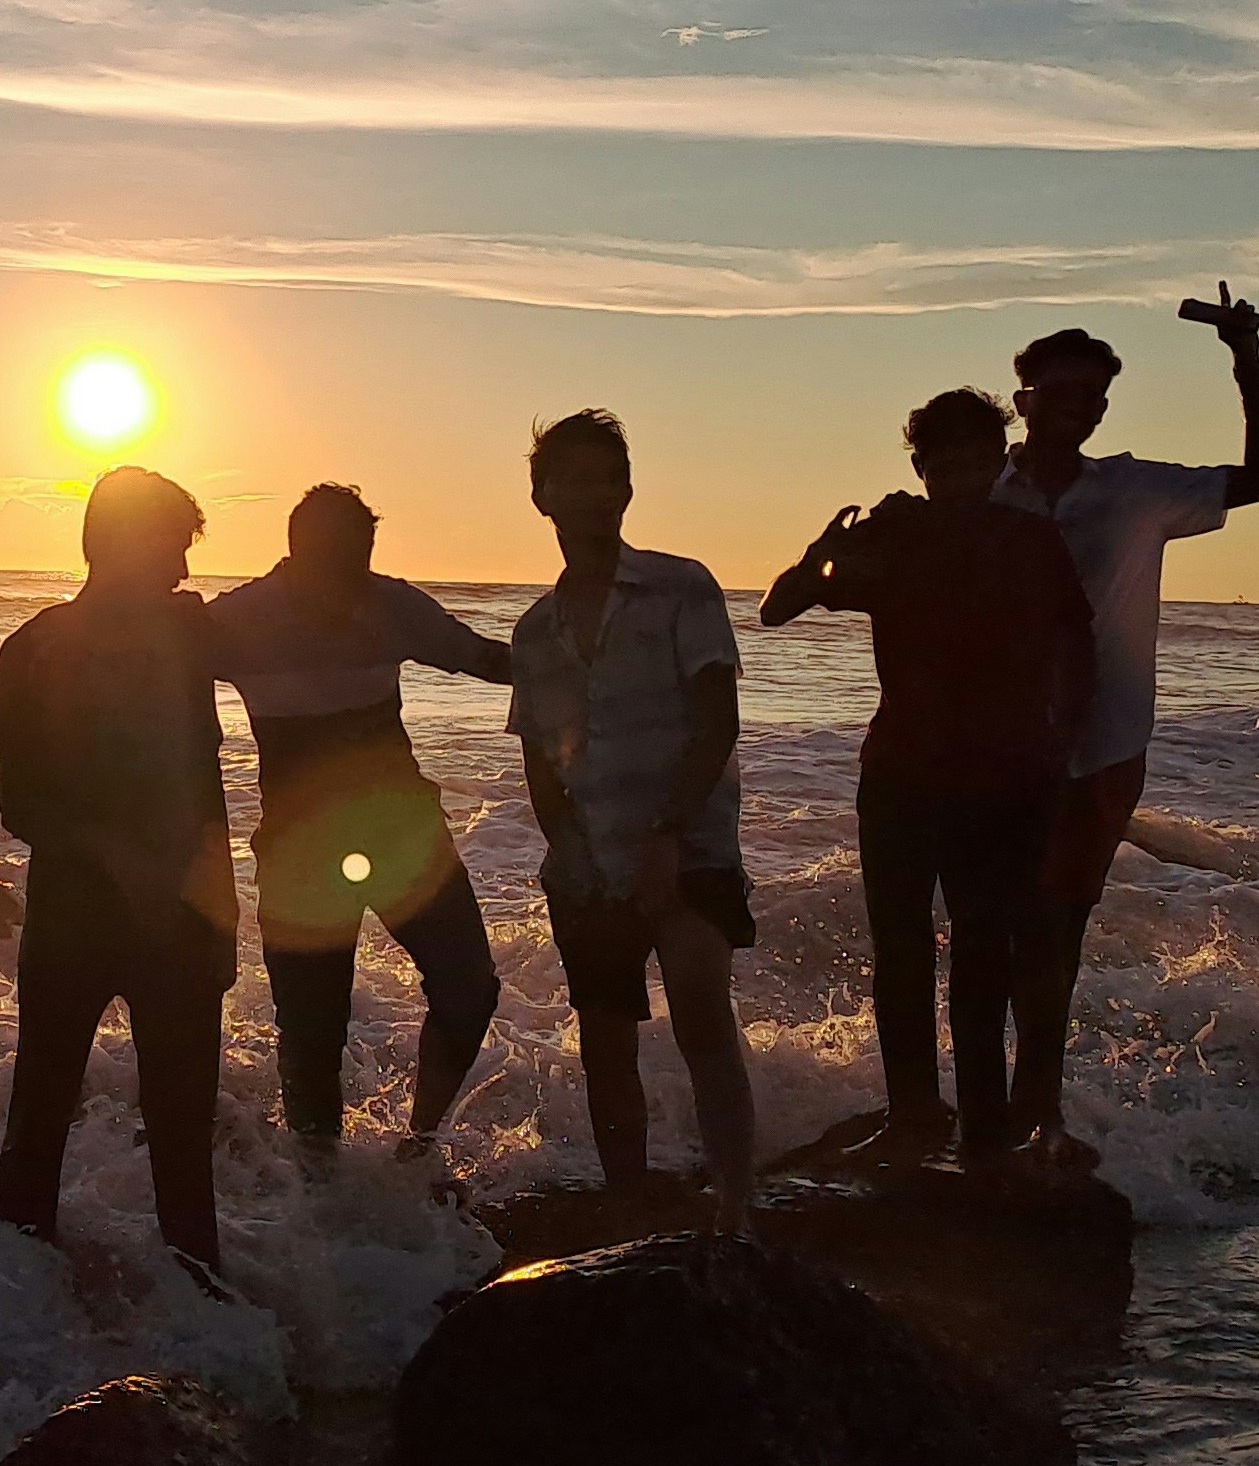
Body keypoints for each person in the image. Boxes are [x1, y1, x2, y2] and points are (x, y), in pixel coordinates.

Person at [762, 387, 1093, 1170]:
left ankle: (983, 1127)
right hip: (903, 772)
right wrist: (818, 557)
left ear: (999, 463)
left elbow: (1077, 643)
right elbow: (779, 609)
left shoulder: (1030, 540)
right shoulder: (895, 532)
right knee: (901, 948)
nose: (959, 479)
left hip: (1007, 775)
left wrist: (1064, 744)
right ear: (920, 468)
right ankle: (914, 1113)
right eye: (943, 466)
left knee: (984, 949)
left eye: (976, 463)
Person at [993, 290, 1259, 1151]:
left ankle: (1037, 1109)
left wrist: (1245, 360)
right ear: (1024, 400)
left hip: (1104, 744)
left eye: (1094, 396)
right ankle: (990, 1109)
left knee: (1059, 928)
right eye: (1062, 392)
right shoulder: (983, 491)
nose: (1079, 408)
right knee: (999, 930)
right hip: (996, 742)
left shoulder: (1134, 490)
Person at [202, 484, 513, 1174]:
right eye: (336, 559)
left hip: (403, 835)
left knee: (469, 987)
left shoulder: (391, 603)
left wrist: (594, 671)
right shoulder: (242, 618)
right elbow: (155, 665)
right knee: (311, 1028)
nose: (351, 577)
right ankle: (319, 1178)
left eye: (362, 557)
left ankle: (420, 1141)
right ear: (295, 552)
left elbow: (490, 661)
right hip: (298, 851)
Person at [0, 464, 237, 1289]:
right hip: (75, 918)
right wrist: (115, 856)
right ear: (118, 545)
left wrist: (223, 914)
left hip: (182, 918)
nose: (183, 571)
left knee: (184, 1131)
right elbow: (21, 803)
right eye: (171, 549)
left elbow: (207, 785)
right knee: (40, 1115)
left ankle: (201, 1300)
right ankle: (18, 1303)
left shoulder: (188, 644)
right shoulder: (35, 649)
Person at [507, 409, 757, 1231]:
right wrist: (572, 854)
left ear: (627, 490)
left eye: (605, 478)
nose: (590, 494)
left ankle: (737, 1210)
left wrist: (666, 840)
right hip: (589, 865)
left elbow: (717, 722)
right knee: (607, 1043)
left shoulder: (682, 586)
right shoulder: (535, 630)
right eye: (571, 479)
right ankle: (627, 1211)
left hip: (691, 847)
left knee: (701, 1013)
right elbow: (541, 762)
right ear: (542, 496)